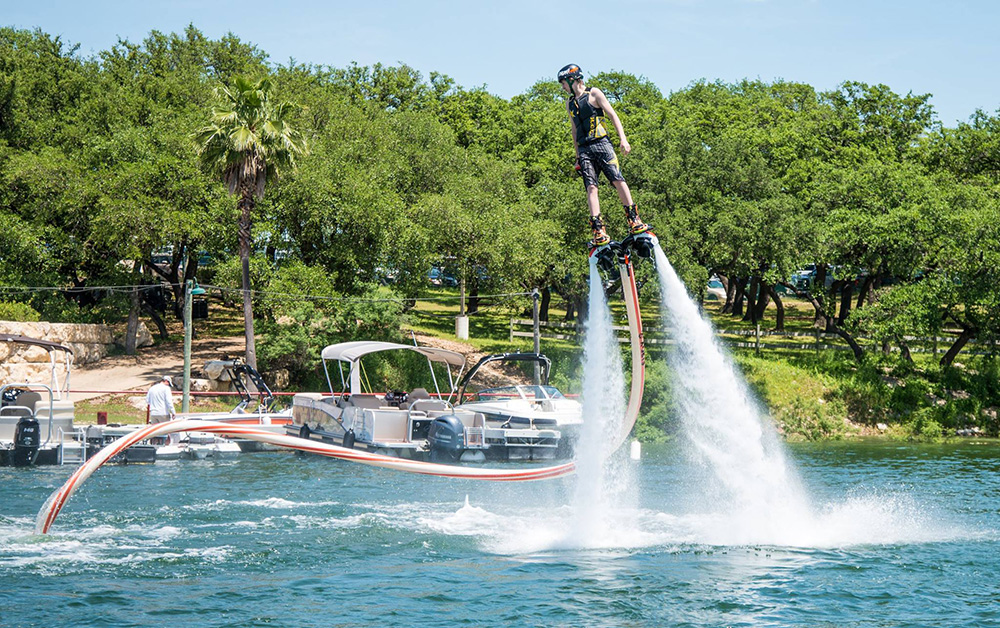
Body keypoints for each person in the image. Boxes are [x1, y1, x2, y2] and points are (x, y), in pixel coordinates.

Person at [558, 63, 652, 248]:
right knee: (591, 188)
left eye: (563, 83)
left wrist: (623, 139)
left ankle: (633, 218)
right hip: (585, 150)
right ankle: (598, 229)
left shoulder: (594, 94)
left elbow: (613, 115)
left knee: (617, 179)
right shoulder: (570, 103)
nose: (562, 87)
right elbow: (574, 130)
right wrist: (577, 156)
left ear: (571, 79)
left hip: (602, 144)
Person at [146, 375, 177, 443]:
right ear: (166, 381)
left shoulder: (152, 388)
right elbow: (169, 402)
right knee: (165, 432)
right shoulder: (166, 389)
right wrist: (173, 412)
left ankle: (155, 447)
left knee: (155, 433)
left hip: (153, 413)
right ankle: (165, 447)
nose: (168, 385)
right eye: (168, 383)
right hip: (163, 413)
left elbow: (147, 400)